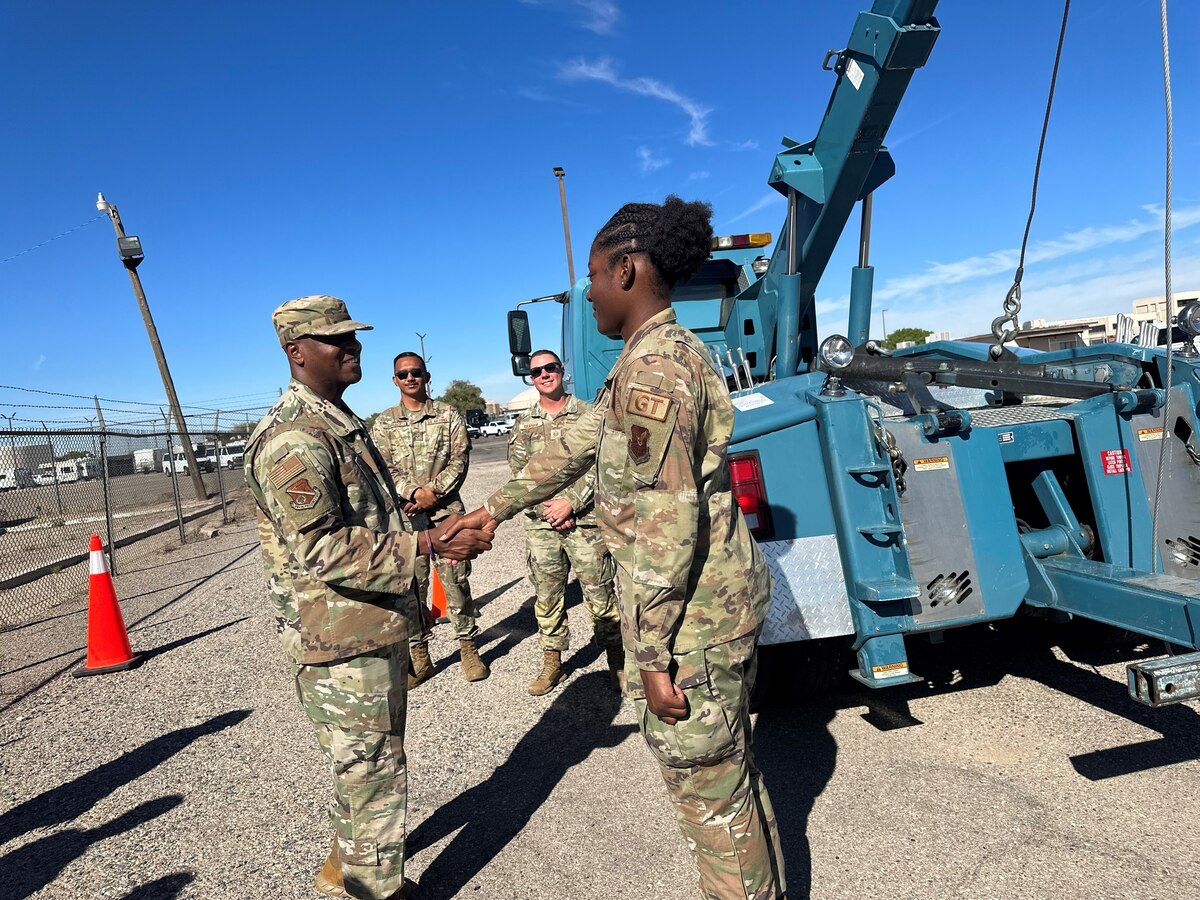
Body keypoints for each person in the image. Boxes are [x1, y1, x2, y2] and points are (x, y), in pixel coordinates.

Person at [445, 196, 786, 898]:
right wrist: (494, 508)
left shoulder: (655, 369)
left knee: (713, 803)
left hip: (692, 624)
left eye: (597, 274)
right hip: (705, 609)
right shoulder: (644, 359)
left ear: (627, 270)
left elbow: (665, 521)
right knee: (730, 787)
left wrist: (653, 656)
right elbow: (579, 441)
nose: (593, 290)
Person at [244, 295, 492, 900]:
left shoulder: (339, 422)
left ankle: (341, 869)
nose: (352, 347)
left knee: (360, 774)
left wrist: (428, 538)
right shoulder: (295, 441)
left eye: (352, 337)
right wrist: (429, 545)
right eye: (336, 340)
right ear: (297, 353)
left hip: (365, 630)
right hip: (341, 642)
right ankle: (372, 890)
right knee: (376, 780)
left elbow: (376, 519)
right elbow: (325, 550)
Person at [508, 348, 624, 695]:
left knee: (600, 594)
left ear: (562, 370)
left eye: (551, 368)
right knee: (547, 596)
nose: (544, 375)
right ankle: (552, 663)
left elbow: (604, 465)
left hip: (585, 522)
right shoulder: (523, 423)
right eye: (537, 371)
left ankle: (618, 662)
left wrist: (571, 502)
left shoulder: (589, 415)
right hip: (542, 525)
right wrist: (549, 508)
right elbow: (519, 474)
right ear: (531, 378)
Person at [369, 353, 489, 685]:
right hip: (405, 517)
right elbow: (382, 467)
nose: (410, 378)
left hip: (446, 513)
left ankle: (468, 647)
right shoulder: (384, 423)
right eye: (403, 374)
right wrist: (411, 493)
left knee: (455, 582)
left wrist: (430, 494)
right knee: (410, 586)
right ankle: (420, 656)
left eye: (416, 372)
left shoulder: (448, 414)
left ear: (426, 376)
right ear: (395, 380)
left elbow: (459, 458)